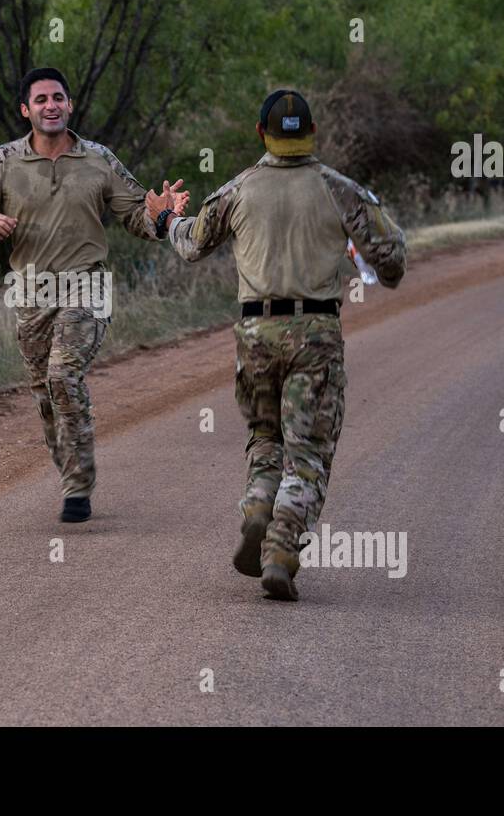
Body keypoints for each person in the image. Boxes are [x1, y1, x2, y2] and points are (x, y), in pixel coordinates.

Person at [157, 89, 406, 600]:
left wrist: (166, 219)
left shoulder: (239, 189)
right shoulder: (338, 189)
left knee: (266, 435)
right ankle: (280, 549)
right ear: (313, 133)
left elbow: (190, 244)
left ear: (260, 133)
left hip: (256, 334)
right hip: (314, 333)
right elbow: (392, 258)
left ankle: (256, 505)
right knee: (308, 452)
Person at [0, 67, 187, 522]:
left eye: (58, 97)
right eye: (40, 100)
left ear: (70, 104)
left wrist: (161, 217)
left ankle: (78, 487)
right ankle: (70, 472)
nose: (51, 105)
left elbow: (136, 213)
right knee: (44, 391)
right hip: (31, 290)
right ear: (26, 110)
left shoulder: (99, 159)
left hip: (88, 285)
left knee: (62, 374)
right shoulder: (3, 161)